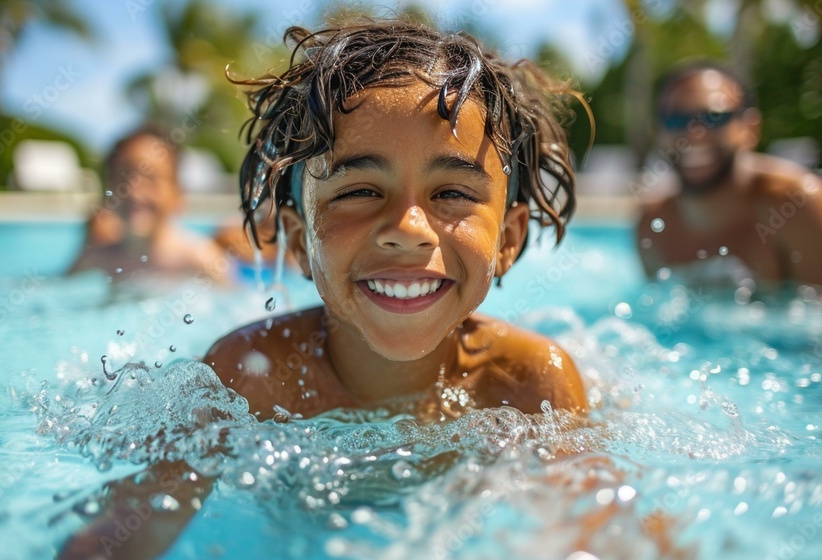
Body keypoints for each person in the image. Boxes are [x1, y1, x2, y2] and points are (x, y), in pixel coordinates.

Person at [59, 20, 594, 560]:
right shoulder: (252, 379)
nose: (409, 228)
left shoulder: (532, 386)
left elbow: (603, 536)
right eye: (360, 190)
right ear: (298, 242)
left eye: (451, 192)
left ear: (508, 239)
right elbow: (122, 536)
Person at [635, 61, 822, 302]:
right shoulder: (652, 224)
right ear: (658, 133)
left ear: (749, 128)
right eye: (675, 119)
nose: (694, 134)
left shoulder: (797, 204)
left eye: (713, 117)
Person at [68, 126, 232, 286]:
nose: (134, 193)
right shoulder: (98, 258)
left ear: (177, 195)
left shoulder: (200, 259)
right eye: (123, 177)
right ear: (108, 190)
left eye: (151, 179)